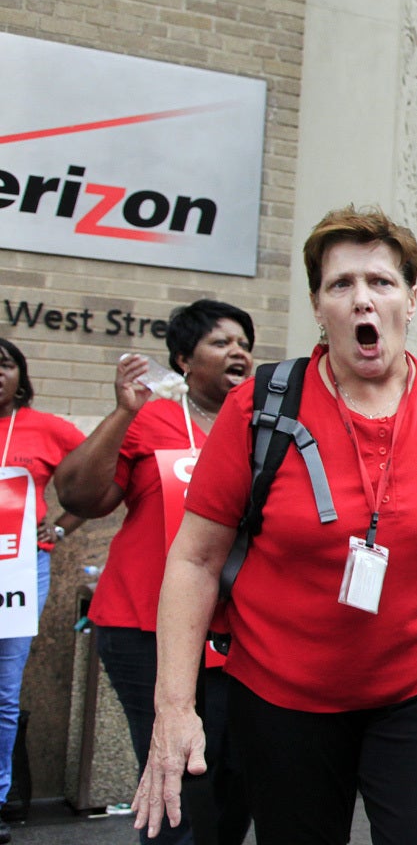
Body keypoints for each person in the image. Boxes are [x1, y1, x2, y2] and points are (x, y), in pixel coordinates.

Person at [128, 206, 417, 845]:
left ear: (411, 299)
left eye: (381, 281)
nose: (361, 300)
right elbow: (194, 560)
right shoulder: (260, 407)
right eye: (340, 284)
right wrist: (174, 710)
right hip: (283, 694)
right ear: (318, 306)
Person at [55, 300, 256, 845]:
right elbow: (78, 494)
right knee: (176, 775)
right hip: (144, 626)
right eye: (220, 342)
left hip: (240, 634)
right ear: (184, 360)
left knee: (233, 778)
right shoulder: (152, 421)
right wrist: (123, 412)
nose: (237, 351)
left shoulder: (264, 427)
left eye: (243, 343)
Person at [0, 338, 86, 844]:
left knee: (5, 689)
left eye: (5, 364)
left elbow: (104, 471)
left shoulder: (45, 427)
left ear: (20, 375)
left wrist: (61, 527)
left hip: (18, 569)